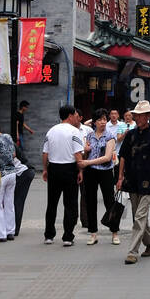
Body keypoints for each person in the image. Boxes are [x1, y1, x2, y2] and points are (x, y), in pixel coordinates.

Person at [117, 100, 150, 264]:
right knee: (138, 216)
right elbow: (123, 156)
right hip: (131, 180)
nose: (137, 118)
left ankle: (132, 251)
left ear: (147, 116)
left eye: (140, 115)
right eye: (136, 115)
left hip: (148, 182)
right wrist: (119, 178)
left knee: (139, 216)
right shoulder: (130, 135)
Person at [77, 108, 121, 246]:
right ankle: (93, 233)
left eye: (104, 119)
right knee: (90, 202)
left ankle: (114, 232)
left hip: (105, 172)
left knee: (110, 202)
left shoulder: (110, 137)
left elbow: (107, 157)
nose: (103, 122)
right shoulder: (89, 136)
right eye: (100, 119)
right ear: (95, 122)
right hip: (90, 172)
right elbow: (85, 154)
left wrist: (87, 162)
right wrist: (85, 151)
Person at [42, 105, 84, 246]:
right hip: (69, 169)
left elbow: (45, 153)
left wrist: (45, 169)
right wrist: (80, 171)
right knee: (70, 204)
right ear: (70, 115)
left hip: (53, 168)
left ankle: (49, 235)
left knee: (52, 203)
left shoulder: (51, 131)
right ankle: (67, 237)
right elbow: (78, 154)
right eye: (75, 115)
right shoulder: (74, 131)